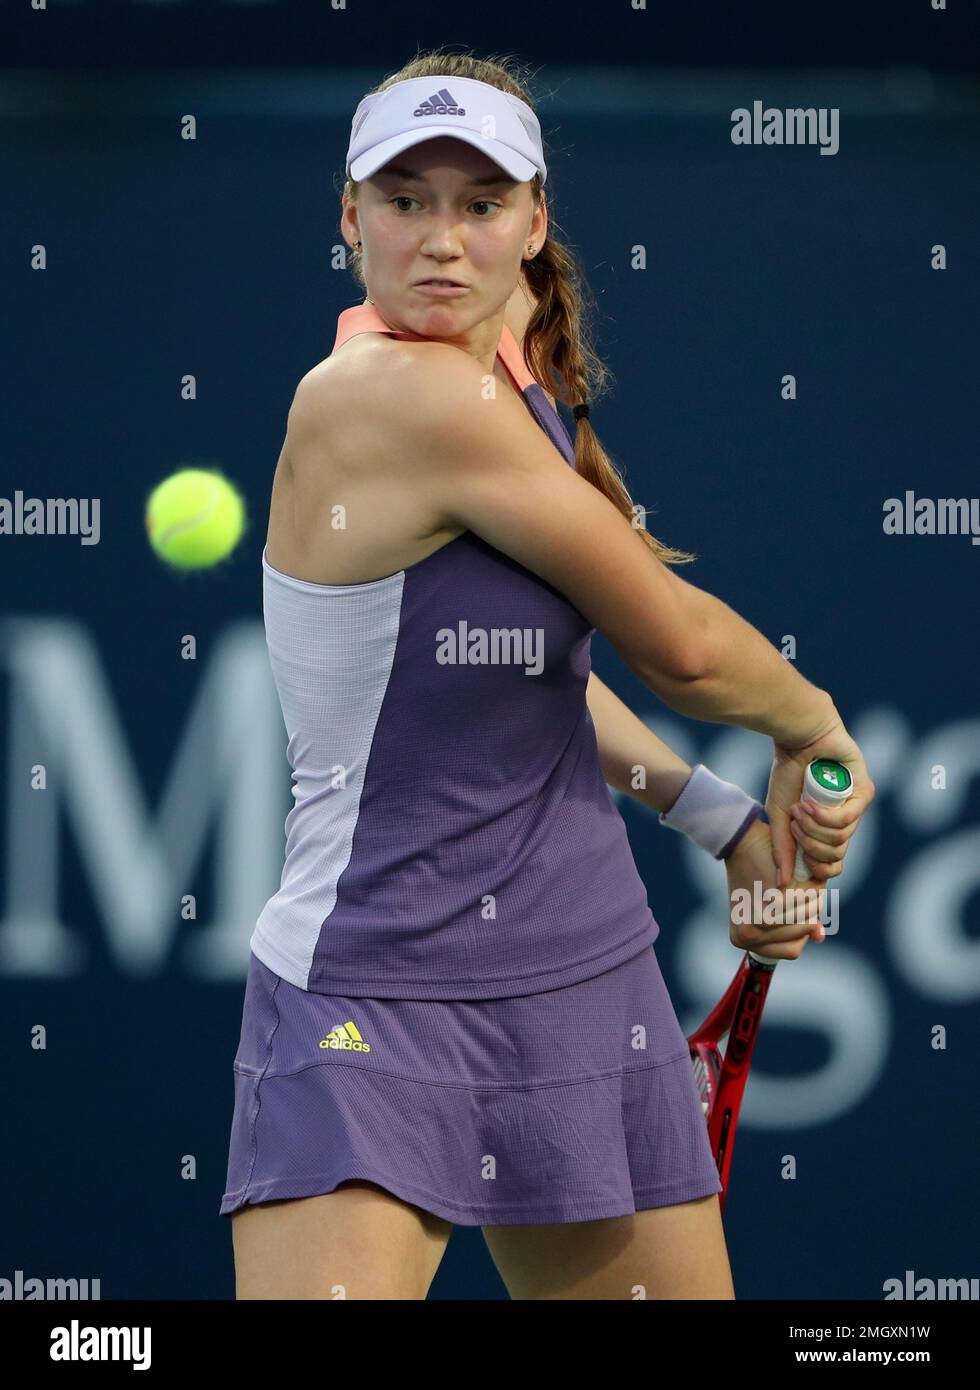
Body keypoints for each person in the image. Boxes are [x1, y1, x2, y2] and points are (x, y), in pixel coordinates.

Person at [220, 51, 875, 1300]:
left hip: (586, 982)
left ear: (532, 225)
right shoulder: (378, 397)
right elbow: (681, 646)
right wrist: (810, 725)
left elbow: (534, 676)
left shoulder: (514, 378)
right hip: (370, 995)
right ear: (349, 216)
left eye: (479, 204)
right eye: (403, 200)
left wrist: (719, 816)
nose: (440, 239)